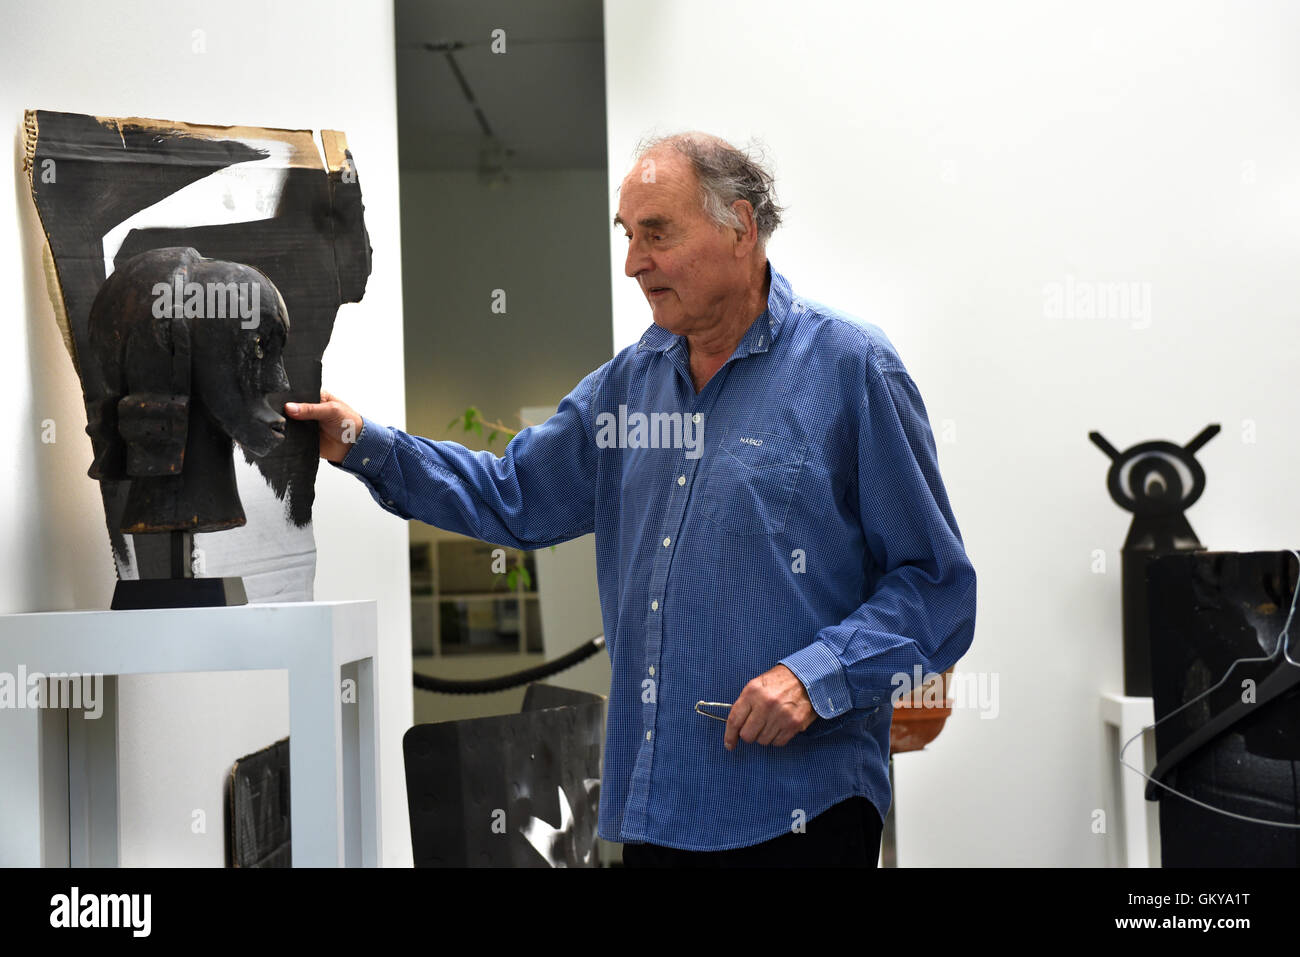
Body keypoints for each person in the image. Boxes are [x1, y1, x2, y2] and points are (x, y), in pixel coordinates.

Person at [285, 132, 977, 867]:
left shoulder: (851, 367)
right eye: (628, 235)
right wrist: (363, 442)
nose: (633, 262)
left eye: (657, 233)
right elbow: (513, 495)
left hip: (803, 811)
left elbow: (936, 587)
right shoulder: (627, 386)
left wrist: (815, 676)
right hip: (656, 810)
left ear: (740, 227)